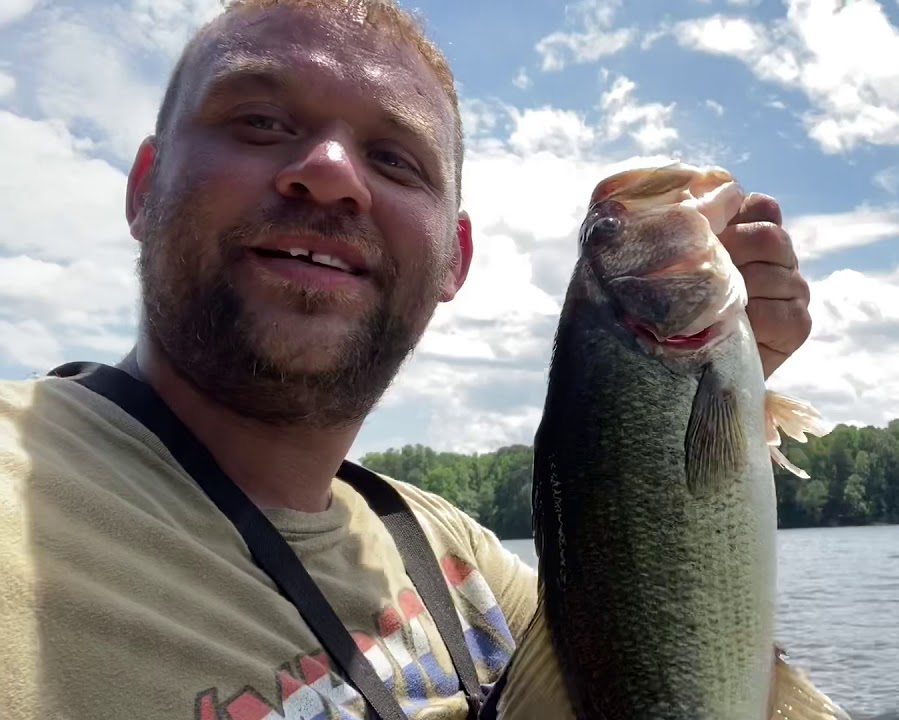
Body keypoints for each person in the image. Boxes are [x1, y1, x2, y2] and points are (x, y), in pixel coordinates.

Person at [0, 0, 814, 718]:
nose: (327, 174)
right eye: (259, 122)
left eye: (395, 159)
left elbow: (678, 633)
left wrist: (700, 414)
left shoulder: (455, 558)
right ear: (144, 187)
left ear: (454, 260)